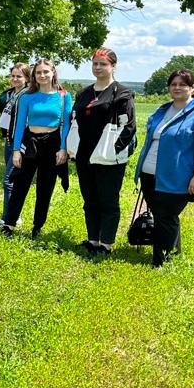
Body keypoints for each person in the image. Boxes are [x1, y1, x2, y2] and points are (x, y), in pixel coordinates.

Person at [134, 69, 194, 267]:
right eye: (173, 84)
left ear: (192, 88)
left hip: (177, 176)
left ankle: (161, 262)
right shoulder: (164, 110)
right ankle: (172, 252)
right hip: (150, 174)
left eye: (182, 84)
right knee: (163, 216)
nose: (177, 88)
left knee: (167, 215)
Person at [72, 48, 137, 255]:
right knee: (90, 200)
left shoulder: (122, 93)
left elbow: (129, 127)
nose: (98, 68)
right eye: (95, 64)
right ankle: (93, 240)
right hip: (85, 156)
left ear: (113, 66)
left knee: (108, 200)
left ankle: (106, 244)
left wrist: (113, 150)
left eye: (103, 64)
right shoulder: (83, 93)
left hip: (109, 158)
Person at [2, 59, 72, 238]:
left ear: (53, 73)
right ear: (34, 75)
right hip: (31, 142)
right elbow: (19, 125)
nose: (42, 75)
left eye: (45, 72)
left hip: (53, 144)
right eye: (38, 72)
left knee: (45, 186)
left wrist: (63, 148)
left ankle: (37, 226)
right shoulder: (27, 97)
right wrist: (16, 150)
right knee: (20, 184)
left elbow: (66, 126)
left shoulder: (64, 96)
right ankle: (9, 223)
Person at [0, 63, 30, 228]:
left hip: (21, 143)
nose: (15, 79)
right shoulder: (8, 95)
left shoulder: (27, 95)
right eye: (13, 76)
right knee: (11, 180)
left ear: (27, 78)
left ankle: (9, 218)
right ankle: (13, 215)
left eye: (19, 76)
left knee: (8, 180)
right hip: (8, 141)